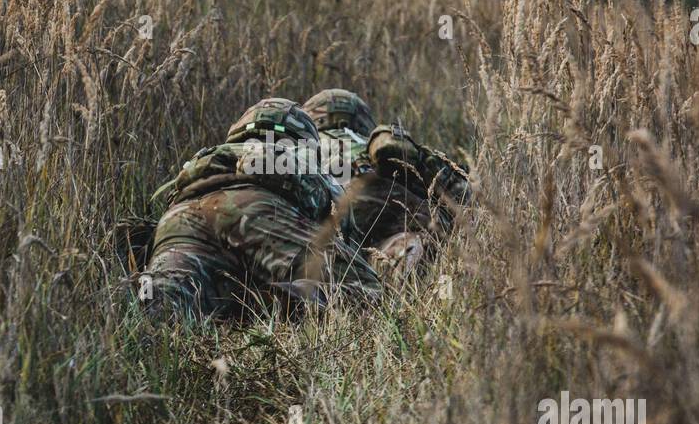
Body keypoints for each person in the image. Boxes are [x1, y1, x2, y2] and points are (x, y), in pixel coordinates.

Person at [140, 97, 381, 319]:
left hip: (180, 219)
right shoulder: (299, 155)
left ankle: (147, 297)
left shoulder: (211, 156)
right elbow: (339, 216)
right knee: (364, 290)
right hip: (260, 211)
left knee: (169, 296)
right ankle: (278, 301)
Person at [301, 88, 472, 275]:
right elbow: (462, 191)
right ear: (363, 120)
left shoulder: (298, 148)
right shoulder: (377, 144)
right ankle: (403, 264)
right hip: (388, 206)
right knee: (400, 249)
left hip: (323, 225)